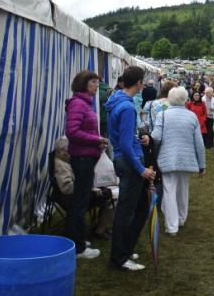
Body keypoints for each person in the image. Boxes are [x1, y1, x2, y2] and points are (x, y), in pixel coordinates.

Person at [106, 65, 155, 271]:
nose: (143, 84)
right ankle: (119, 257)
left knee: (141, 206)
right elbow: (124, 145)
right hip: (130, 161)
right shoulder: (126, 107)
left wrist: (139, 139)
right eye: (142, 81)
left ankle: (124, 249)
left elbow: (124, 138)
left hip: (127, 158)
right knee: (126, 211)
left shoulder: (118, 101)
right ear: (138, 83)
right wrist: (141, 169)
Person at [64, 69, 108, 259]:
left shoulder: (84, 104)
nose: (96, 85)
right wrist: (95, 139)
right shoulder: (78, 104)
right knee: (79, 203)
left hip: (86, 157)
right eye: (92, 82)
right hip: (82, 158)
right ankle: (77, 248)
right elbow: (72, 132)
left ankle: (75, 239)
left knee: (81, 201)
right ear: (83, 84)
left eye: (96, 82)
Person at [151, 86, 205, 235]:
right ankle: (181, 219)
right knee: (183, 189)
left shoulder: (162, 115)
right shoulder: (192, 116)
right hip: (186, 159)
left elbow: (156, 137)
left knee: (169, 190)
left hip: (167, 158)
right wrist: (202, 165)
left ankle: (172, 226)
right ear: (185, 99)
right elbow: (199, 143)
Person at [53, 136, 114, 241]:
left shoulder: (66, 161)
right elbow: (67, 188)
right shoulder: (60, 165)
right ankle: (99, 230)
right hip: (70, 197)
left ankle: (99, 228)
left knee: (105, 193)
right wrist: (88, 188)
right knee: (106, 195)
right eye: (69, 149)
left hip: (76, 193)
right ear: (61, 151)